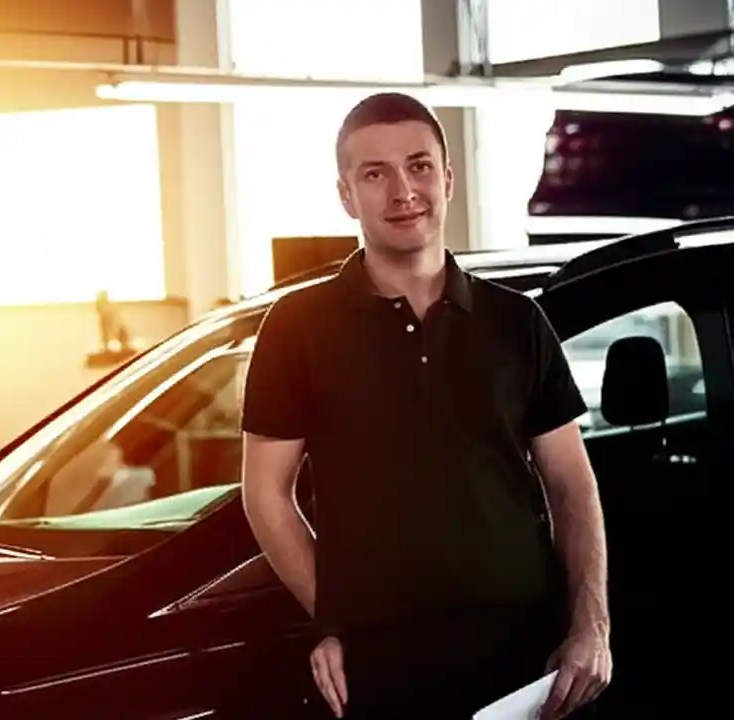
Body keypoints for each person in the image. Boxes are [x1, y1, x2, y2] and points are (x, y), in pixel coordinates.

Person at [240, 92, 611, 719]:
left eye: (418, 166)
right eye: (374, 174)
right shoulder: (297, 327)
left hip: (526, 661)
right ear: (346, 195)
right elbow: (266, 495)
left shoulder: (517, 322)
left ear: (447, 178)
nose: (403, 191)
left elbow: (572, 485)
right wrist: (334, 617)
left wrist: (590, 625)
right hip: (383, 667)